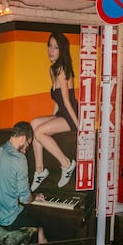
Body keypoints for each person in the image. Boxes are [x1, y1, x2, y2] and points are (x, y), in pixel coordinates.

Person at [30, 31, 79, 191]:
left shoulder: (62, 70)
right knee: (34, 124)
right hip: (61, 113)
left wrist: (79, 127)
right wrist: (52, 119)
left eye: (56, 47)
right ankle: (39, 170)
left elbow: (67, 101)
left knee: (39, 132)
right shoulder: (53, 69)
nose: (51, 50)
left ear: (61, 50)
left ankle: (67, 164)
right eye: (50, 46)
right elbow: (57, 101)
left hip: (71, 114)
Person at [0, 121, 47, 244]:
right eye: (28, 144)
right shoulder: (20, 159)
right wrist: (35, 196)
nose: (26, 149)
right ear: (23, 138)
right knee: (42, 226)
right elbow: (25, 199)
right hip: (10, 219)